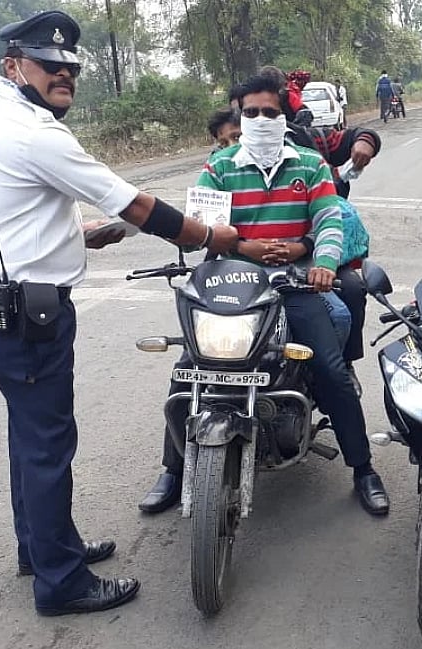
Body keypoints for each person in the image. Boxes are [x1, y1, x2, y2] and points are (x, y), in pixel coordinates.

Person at [0, 9, 238, 617]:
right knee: (47, 445)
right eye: (50, 64)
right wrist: (208, 238)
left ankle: (42, 549)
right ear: (14, 66)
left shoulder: (3, 122)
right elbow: (135, 203)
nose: (65, 74)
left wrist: (77, 236)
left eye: (70, 66)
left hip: (8, 303)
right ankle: (61, 584)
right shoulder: (35, 132)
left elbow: (17, 214)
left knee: (28, 440)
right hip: (29, 314)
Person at [138, 72, 390, 518]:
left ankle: (363, 468)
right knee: (188, 371)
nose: (258, 119)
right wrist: (241, 246)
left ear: (284, 116)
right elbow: (202, 228)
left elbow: (331, 219)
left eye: (269, 112)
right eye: (249, 112)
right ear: (239, 115)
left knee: (330, 369)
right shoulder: (219, 167)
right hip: (233, 284)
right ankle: (173, 471)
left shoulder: (310, 166)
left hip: (294, 283)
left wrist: (319, 260)